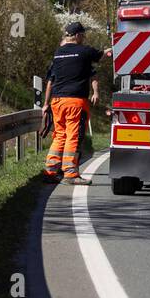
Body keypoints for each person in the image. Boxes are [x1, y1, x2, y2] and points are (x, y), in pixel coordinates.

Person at [41, 22, 107, 184]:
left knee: (59, 135)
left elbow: (51, 79)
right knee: (73, 137)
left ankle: (51, 170)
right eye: (83, 35)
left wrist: (46, 102)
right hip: (75, 102)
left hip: (57, 101)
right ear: (77, 35)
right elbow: (101, 55)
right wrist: (108, 52)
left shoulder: (58, 53)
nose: (84, 38)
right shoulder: (84, 52)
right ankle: (70, 174)